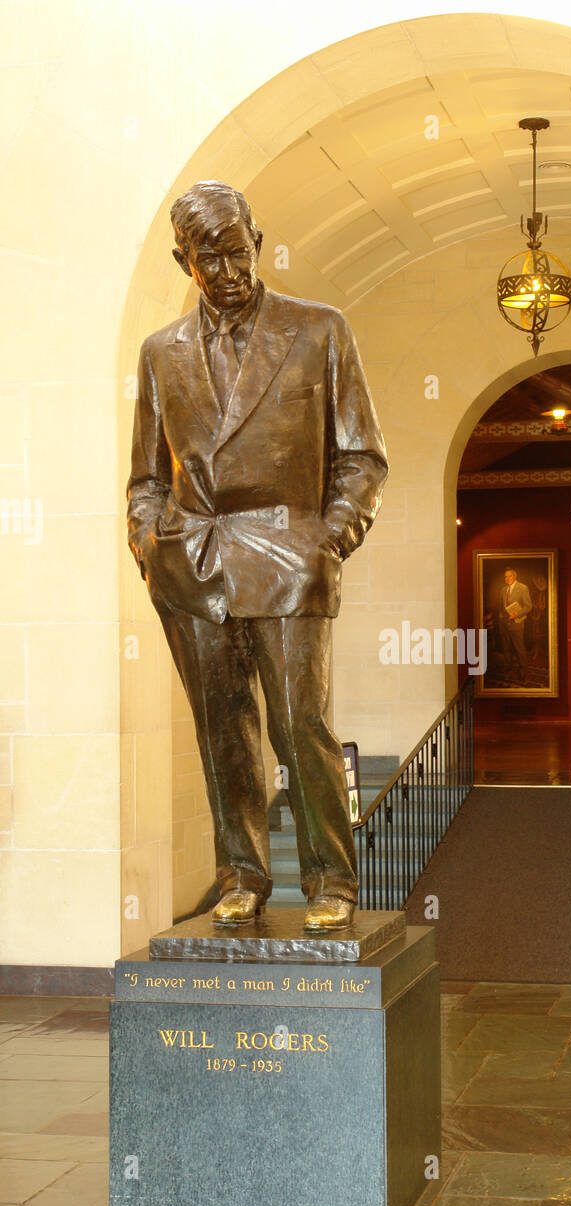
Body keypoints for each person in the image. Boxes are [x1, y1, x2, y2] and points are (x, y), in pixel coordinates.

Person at [127, 181, 387, 931]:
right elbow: (145, 475)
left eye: (238, 252)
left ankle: (330, 880)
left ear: (258, 242)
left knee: (300, 724)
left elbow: (362, 458)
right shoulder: (160, 354)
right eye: (210, 259)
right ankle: (240, 873)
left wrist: (326, 538)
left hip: (287, 554)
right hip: (193, 559)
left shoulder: (318, 331)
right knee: (221, 729)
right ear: (186, 260)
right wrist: (150, 542)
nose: (229, 271)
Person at [497, 567, 532, 682]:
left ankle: (523, 671)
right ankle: (508, 670)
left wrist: (517, 614)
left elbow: (528, 606)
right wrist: (501, 618)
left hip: (516, 624)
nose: (507, 578)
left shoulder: (523, 588)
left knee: (519, 648)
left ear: (515, 576)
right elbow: (502, 607)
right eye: (505, 577)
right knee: (506, 649)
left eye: (509, 576)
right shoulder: (503, 590)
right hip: (504, 624)